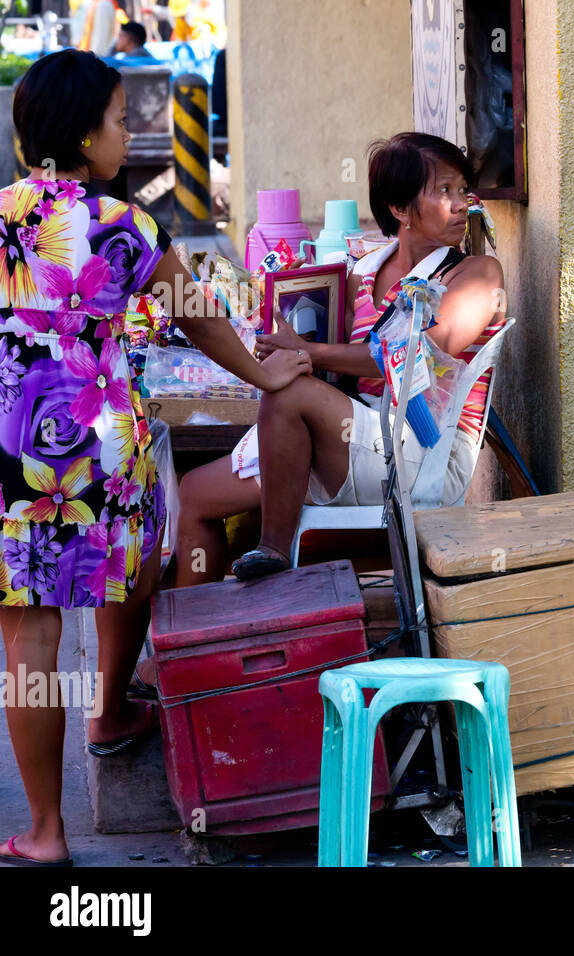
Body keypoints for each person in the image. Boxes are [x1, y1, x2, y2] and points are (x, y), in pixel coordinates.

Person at [0, 50, 311, 866]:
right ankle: (108, 710)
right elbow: (198, 316)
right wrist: (266, 374)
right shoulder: (123, 224)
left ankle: (45, 831)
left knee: (29, 629)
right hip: (103, 443)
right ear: (81, 134)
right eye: (117, 119)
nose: (128, 134)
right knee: (129, 572)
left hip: (12, 451)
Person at [174, 132, 506, 585]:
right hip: (354, 434)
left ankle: (274, 550)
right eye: (444, 190)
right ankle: (199, 628)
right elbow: (336, 365)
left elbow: (414, 357)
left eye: (462, 189)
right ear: (399, 208)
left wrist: (306, 352)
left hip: (426, 454)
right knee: (194, 493)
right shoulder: (361, 274)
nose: (460, 204)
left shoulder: (477, 275)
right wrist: (283, 324)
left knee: (289, 394)